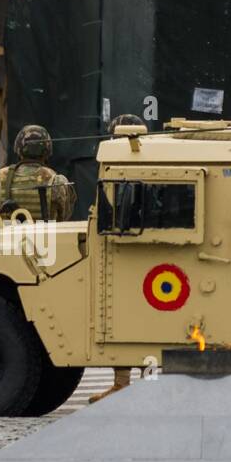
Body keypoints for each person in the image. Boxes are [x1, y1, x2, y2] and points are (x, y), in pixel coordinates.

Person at [87, 113, 149, 404]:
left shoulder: (119, 167)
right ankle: (138, 383)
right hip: (140, 251)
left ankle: (125, 383)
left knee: (126, 319)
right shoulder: (151, 160)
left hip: (129, 249)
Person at [0, 124, 75, 221]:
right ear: (47, 151)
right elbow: (64, 217)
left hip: (8, 237)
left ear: (18, 149)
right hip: (47, 237)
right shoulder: (57, 182)